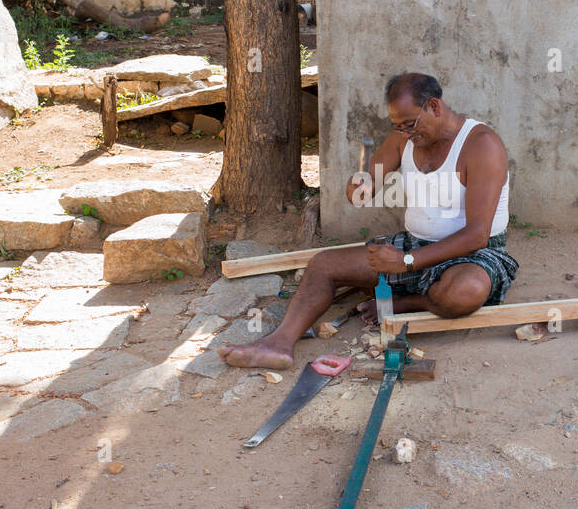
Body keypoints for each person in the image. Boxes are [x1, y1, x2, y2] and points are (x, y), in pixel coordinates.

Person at [218, 72, 518, 370]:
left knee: (465, 292)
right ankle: (278, 344)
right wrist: (360, 187)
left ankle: (411, 301)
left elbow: (478, 234)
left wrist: (407, 261)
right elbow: (367, 180)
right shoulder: (404, 138)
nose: (405, 133)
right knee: (323, 265)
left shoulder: (481, 145)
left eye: (410, 124)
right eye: (397, 126)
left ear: (435, 107)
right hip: (414, 246)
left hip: (473, 255)